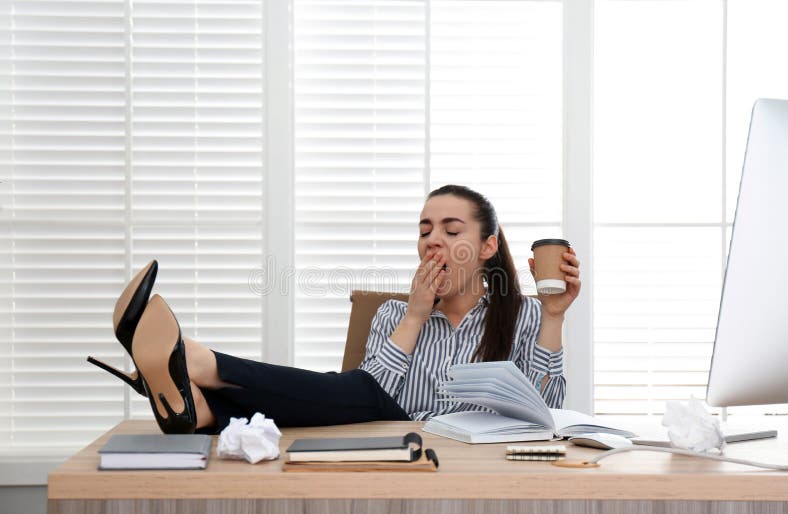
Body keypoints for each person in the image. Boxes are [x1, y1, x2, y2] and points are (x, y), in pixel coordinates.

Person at [87, 185, 581, 434]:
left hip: (475, 461)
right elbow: (366, 401)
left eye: (452, 232)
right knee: (344, 397)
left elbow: (549, 413)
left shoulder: (526, 316)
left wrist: (554, 317)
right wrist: (414, 316)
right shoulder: (395, 315)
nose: (433, 242)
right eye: (425, 230)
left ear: (488, 247)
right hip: (395, 444)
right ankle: (197, 387)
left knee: (345, 395)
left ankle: (202, 399)